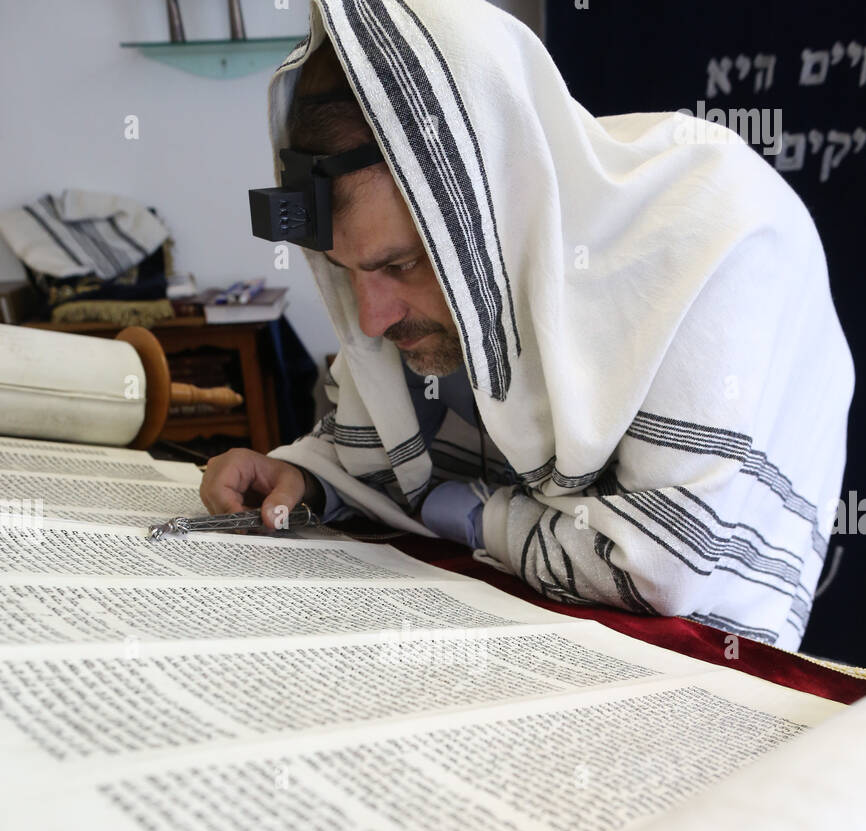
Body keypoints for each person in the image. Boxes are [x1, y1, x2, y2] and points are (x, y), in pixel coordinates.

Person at [201, 0, 855, 650]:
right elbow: (371, 450)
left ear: (485, 214)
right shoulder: (451, 269)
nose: (372, 320)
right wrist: (306, 476)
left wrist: (456, 510)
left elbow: (657, 568)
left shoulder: (715, 233)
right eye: (345, 272)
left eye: (400, 264)